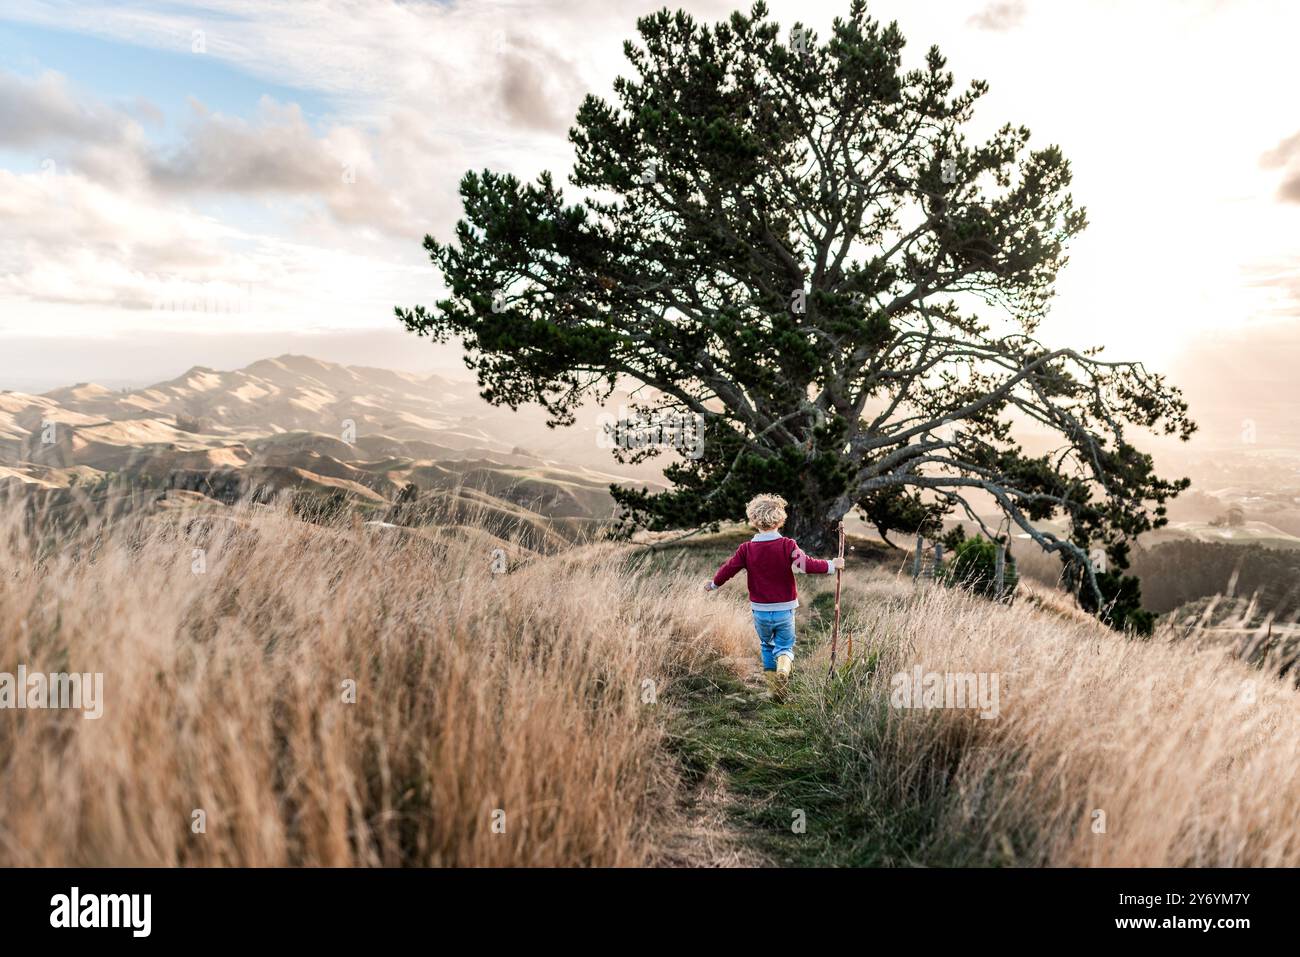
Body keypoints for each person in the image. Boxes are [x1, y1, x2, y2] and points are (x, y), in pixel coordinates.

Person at [704, 493, 844, 701]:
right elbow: (806, 565)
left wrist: (714, 584)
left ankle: (774, 690)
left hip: (760, 610)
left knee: (767, 646)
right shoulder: (787, 545)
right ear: (780, 519)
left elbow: (728, 569)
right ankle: (783, 672)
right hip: (784, 609)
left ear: (753, 520)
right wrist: (833, 565)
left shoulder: (746, 549)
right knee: (785, 647)